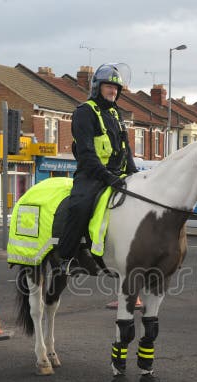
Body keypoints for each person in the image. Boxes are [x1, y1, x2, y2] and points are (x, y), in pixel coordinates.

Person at [57, 63, 136, 274]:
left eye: (116, 88)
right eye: (109, 86)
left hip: (118, 174)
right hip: (92, 174)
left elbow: (125, 148)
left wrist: (135, 173)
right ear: (97, 87)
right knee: (80, 206)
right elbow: (86, 154)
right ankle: (67, 257)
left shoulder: (116, 114)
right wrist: (107, 177)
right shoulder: (85, 112)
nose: (113, 91)